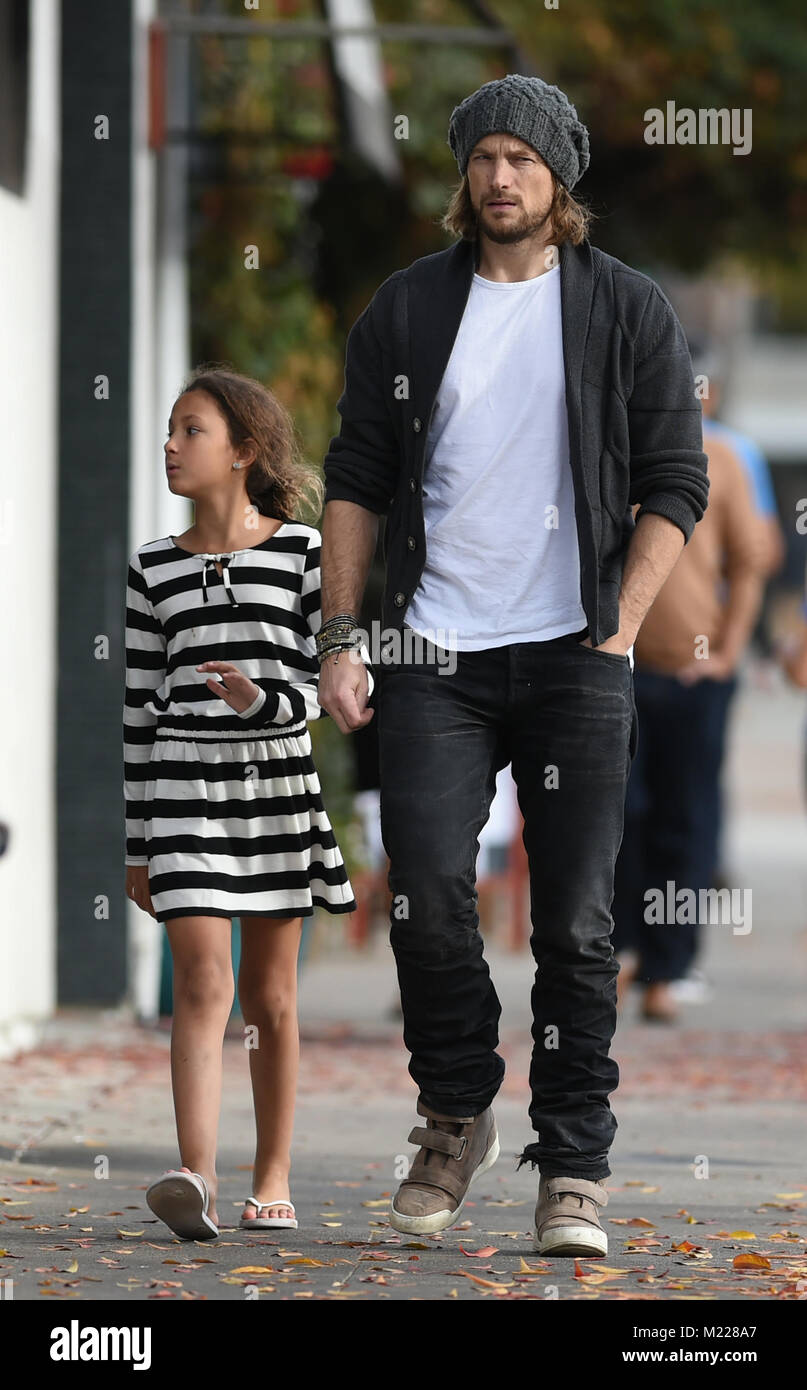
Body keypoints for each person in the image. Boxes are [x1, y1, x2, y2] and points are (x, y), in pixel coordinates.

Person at [317, 74, 709, 1256]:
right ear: (463, 177)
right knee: (429, 889)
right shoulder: (406, 309)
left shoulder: (625, 310)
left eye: (521, 161)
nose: (499, 178)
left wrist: (624, 622)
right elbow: (354, 479)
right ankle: (454, 1110)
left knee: (578, 924)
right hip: (434, 648)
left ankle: (573, 1164)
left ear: (559, 179)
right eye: (482, 158)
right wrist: (340, 636)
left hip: (575, 651)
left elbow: (674, 483)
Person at [123, 365, 370, 1239]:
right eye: (170, 429)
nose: (171, 446)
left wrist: (260, 700)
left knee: (270, 997)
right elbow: (137, 711)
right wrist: (136, 844)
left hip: (275, 785)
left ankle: (273, 1175)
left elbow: (324, 680)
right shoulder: (150, 568)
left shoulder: (303, 552)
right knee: (201, 981)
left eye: (191, 431)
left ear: (244, 452)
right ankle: (195, 1175)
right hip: (183, 788)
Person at [611, 433, 768, 1021]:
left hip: (691, 677)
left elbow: (750, 564)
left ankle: (668, 968)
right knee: (618, 815)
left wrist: (726, 654)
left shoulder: (722, 460)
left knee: (685, 818)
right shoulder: (615, 441)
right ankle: (623, 948)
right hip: (616, 670)